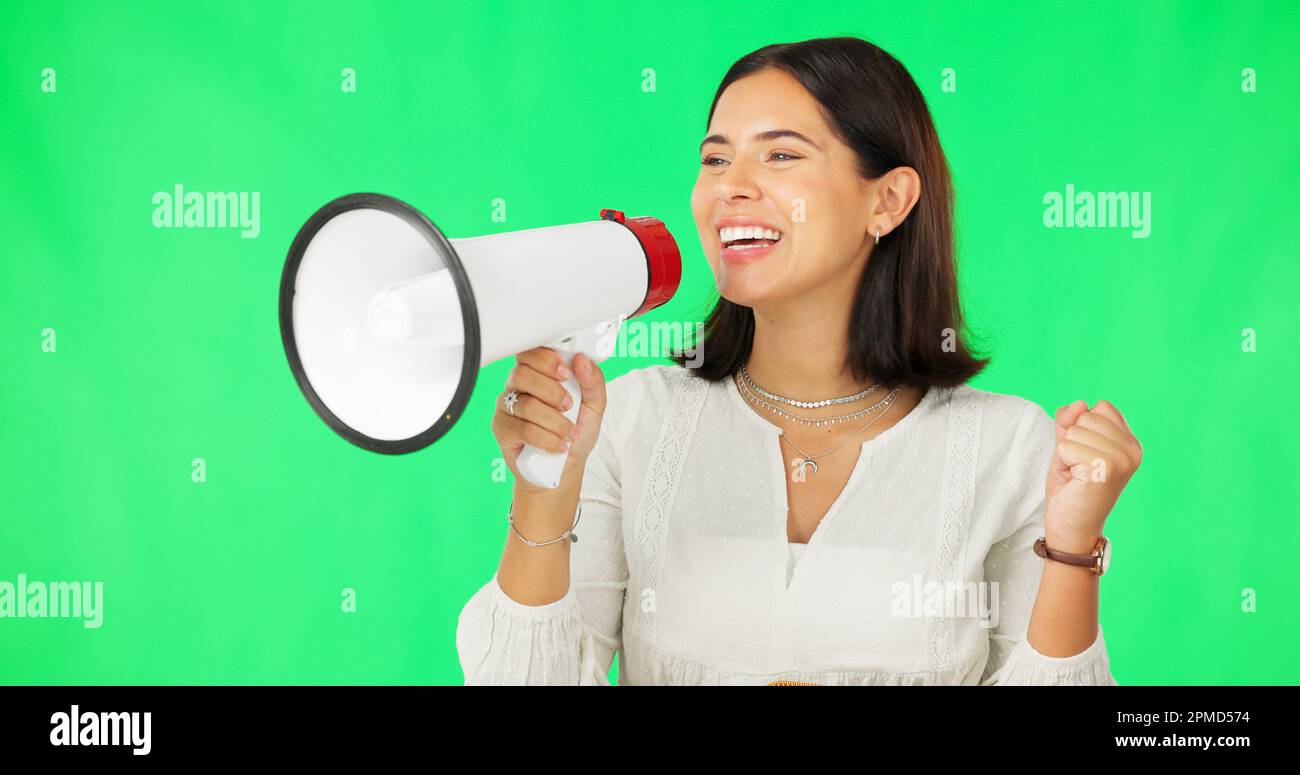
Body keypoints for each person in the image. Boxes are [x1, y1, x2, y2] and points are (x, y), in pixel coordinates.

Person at [456, 36, 1142, 685]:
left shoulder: (1007, 447)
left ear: (888, 199)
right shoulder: (633, 421)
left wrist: (1074, 545)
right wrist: (545, 487)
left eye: (780, 157)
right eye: (716, 159)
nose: (731, 187)